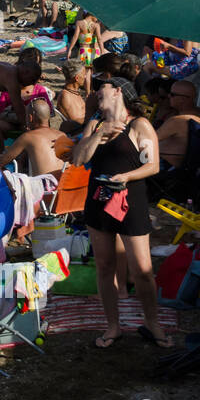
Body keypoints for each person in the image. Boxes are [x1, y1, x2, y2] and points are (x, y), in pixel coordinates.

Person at [69, 76, 170, 349]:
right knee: (104, 266)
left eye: (102, 87)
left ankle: (152, 324)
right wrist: (100, 134)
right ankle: (113, 326)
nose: (96, 91)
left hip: (130, 201)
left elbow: (153, 166)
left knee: (143, 270)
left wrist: (126, 176)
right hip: (98, 200)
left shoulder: (139, 125)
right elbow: (79, 159)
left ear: (117, 92)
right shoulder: (94, 124)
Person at [0, 99, 68, 177]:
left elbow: (2, 161)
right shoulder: (62, 134)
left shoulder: (28, 137)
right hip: (66, 183)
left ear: (30, 117)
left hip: (45, 187)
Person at [155, 80, 200, 169]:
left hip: (163, 167)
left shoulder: (177, 121)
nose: (168, 96)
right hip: (181, 169)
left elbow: (148, 139)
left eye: (172, 94)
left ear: (184, 99)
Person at [55, 60, 89, 132]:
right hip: (80, 134)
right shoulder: (66, 96)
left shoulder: (74, 92)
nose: (85, 77)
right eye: (84, 74)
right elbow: (75, 123)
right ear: (76, 78)